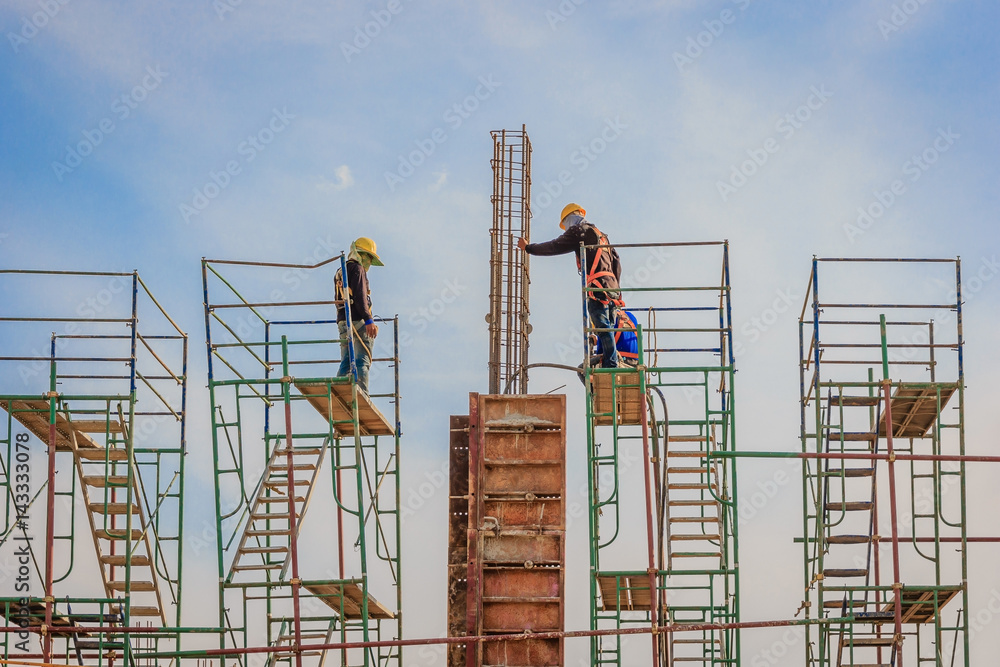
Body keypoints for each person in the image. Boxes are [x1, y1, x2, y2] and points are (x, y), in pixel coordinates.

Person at [517, 203, 624, 368]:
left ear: (569, 219)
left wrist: (528, 248)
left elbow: (554, 246)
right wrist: (617, 290)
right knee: (607, 328)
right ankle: (612, 360)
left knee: (603, 327)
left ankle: (611, 365)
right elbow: (616, 262)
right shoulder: (601, 235)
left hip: (598, 287)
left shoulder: (578, 231)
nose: (565, 229)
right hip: (611, 288)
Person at [335, 237, 383, 393]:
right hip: (358, 320)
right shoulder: (357, 269)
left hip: (343, 321)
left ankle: (339, 392)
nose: (369, 262)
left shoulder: (341, 270)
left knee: (347, 361)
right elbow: (361, 296)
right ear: (361, 254)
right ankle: (362, 393)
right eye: (368, 257)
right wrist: (369, 319)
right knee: (362, 360)